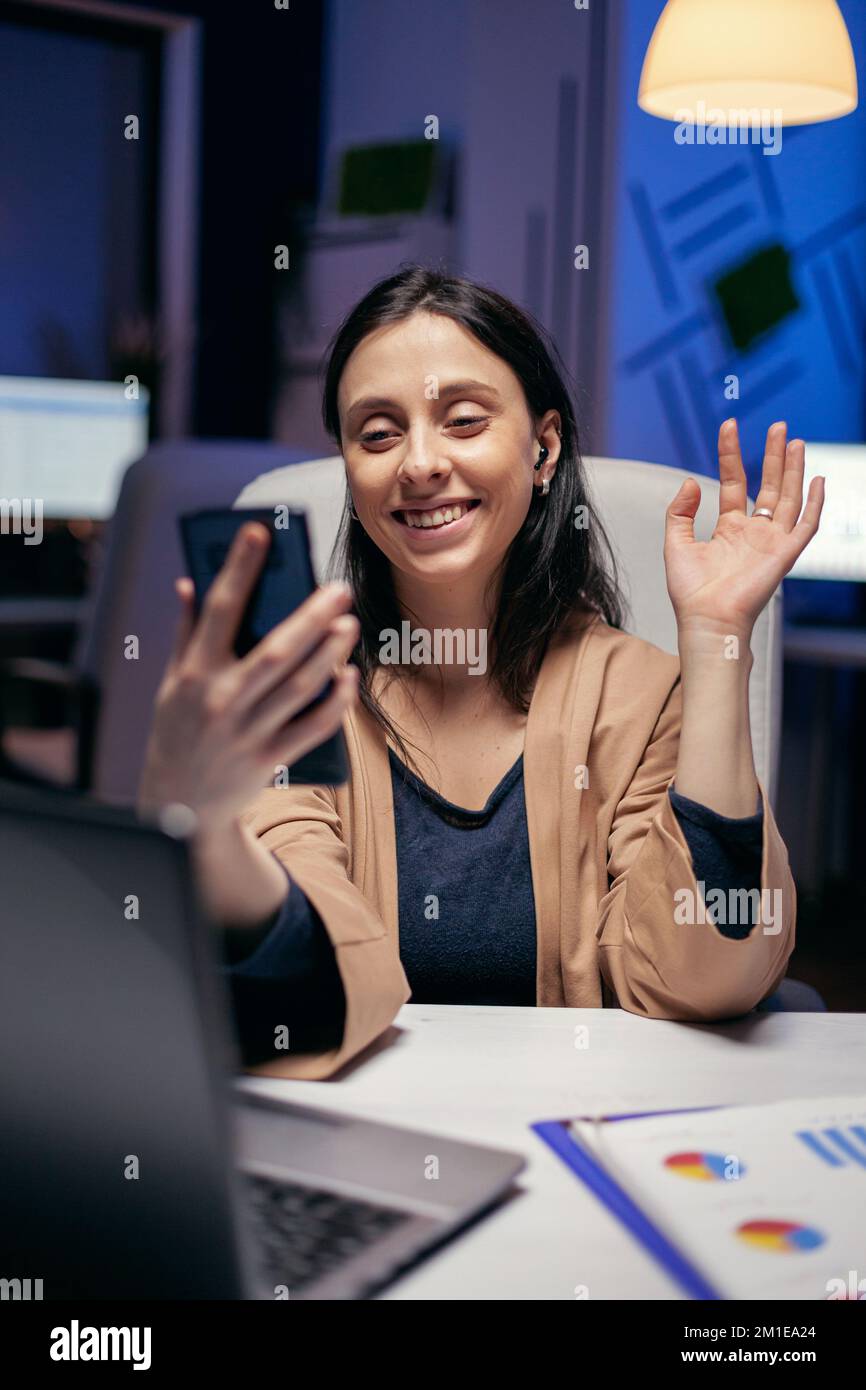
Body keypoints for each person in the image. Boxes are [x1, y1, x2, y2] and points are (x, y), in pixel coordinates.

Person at [139, 266, 824, 1079]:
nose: (419, 463)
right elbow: (302, 969)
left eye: (463, 421)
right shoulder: (296, 699)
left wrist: (716, 646)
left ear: (544, 448)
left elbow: (699, 978)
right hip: (363, 1138)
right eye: (378, 433)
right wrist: (208, 830)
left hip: (582, 1133)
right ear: (350, 470)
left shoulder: (643, 694)